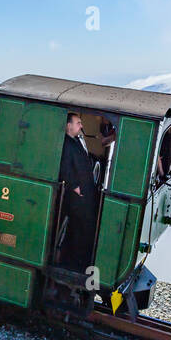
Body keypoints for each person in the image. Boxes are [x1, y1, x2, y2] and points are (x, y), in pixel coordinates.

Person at [57, 112, 99, 274]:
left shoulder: (75, 141)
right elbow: (65, 168)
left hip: (84, 193)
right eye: (78, 123)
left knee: (83, 228)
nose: (81, 126)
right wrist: (76, 187)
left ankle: (78, 261)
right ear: (68, 125)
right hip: (77, 196)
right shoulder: (66, 143)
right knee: (79, 228)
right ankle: (74, 263)